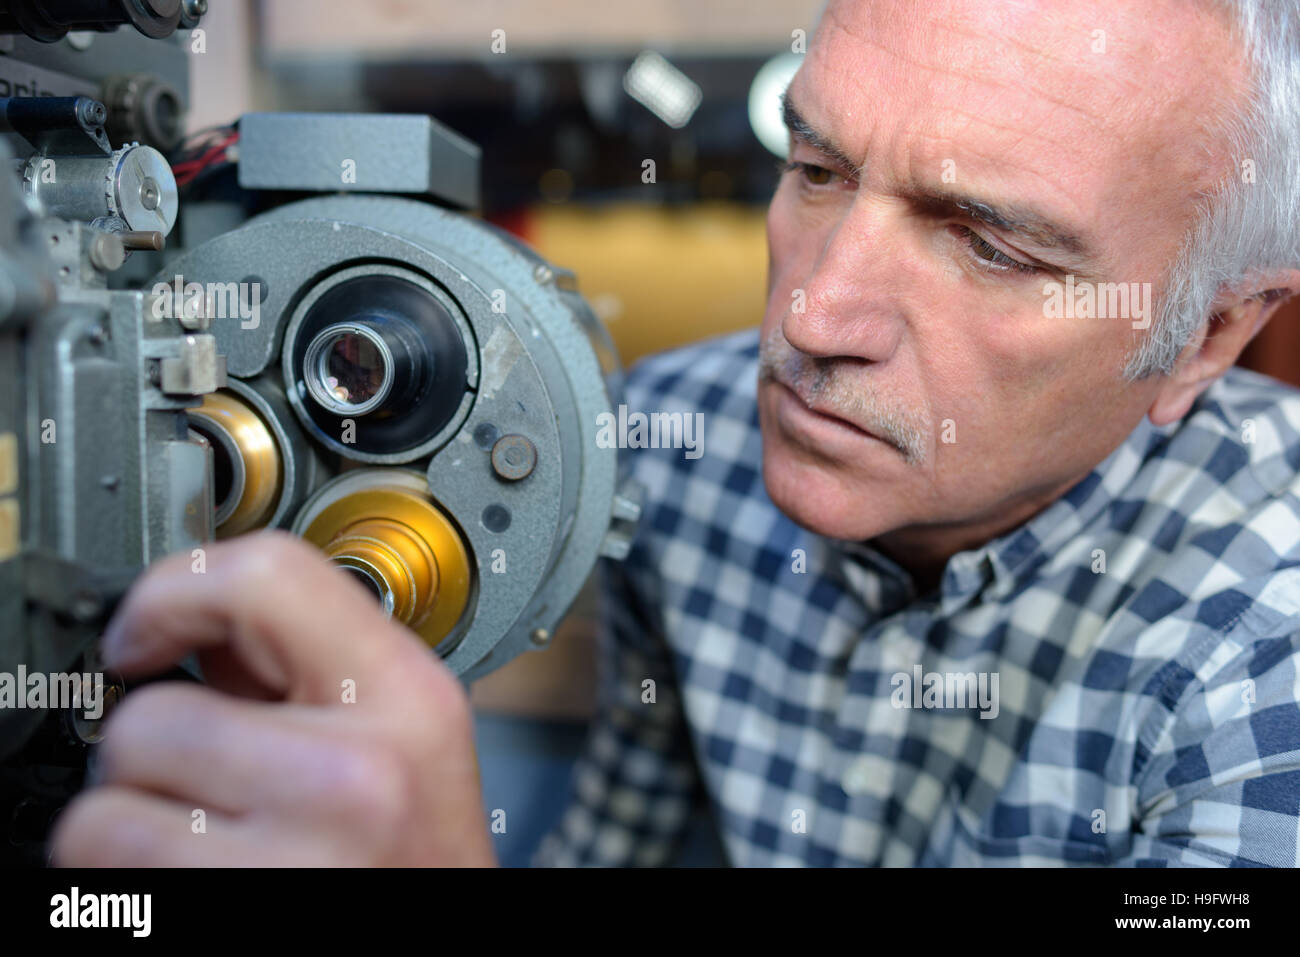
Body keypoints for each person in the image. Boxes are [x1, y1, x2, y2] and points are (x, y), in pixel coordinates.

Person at [53, 0, 1300, 867]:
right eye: (816, 170)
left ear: (1206, 338)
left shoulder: (1264, 671)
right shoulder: (677, 445)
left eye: (988, 243)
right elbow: (621, 845)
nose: (811, 316)